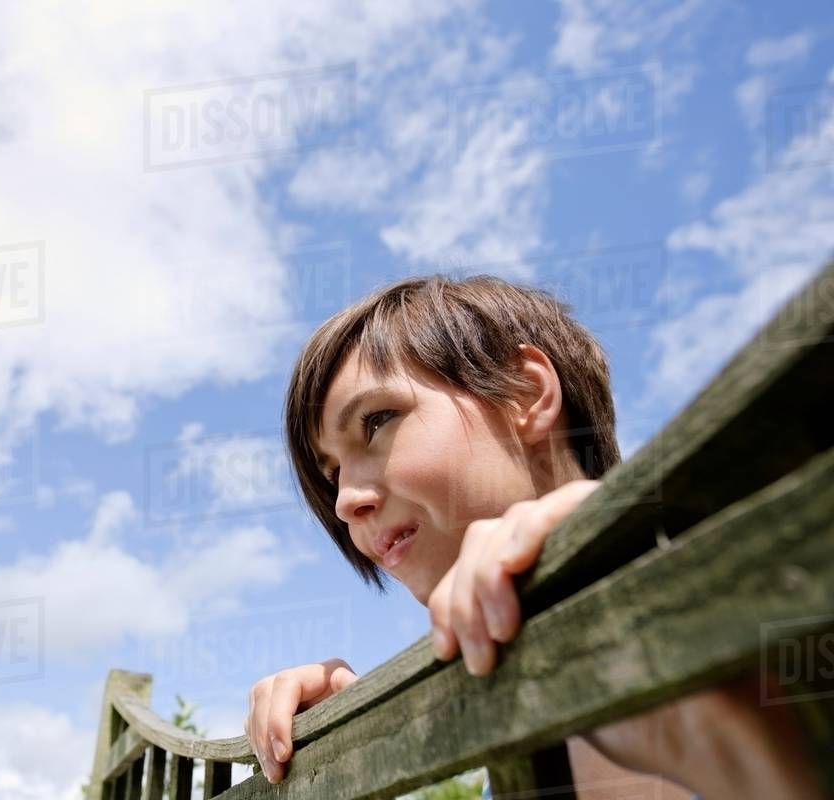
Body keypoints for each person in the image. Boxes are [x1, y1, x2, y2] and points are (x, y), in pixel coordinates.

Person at [243, 275, 822, 800]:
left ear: (526, 393)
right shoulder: (505, 733)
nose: (345, 501)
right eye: (332, 474)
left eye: (376, 421)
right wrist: (361, 739)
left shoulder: (771, 586)